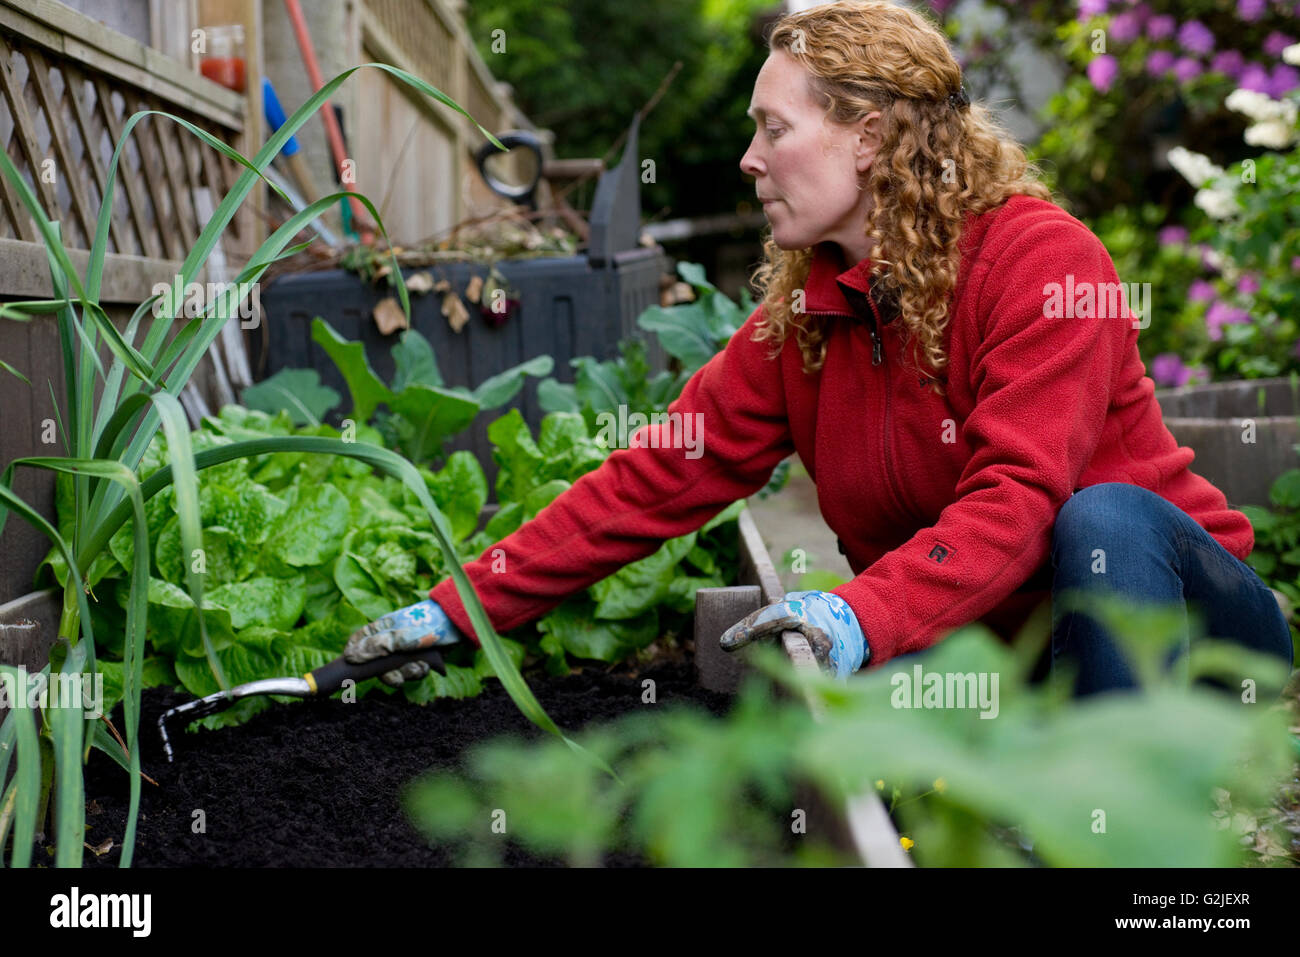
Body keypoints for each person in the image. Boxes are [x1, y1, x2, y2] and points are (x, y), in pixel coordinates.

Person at [344, 0, 1294, 697]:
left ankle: (1118, 831)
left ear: (870, 138)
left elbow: (1017, 499)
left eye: (774, 129)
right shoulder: (808, 316)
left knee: (1105, 518)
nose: (751, 159)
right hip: (1010, 661)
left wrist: (856, 612)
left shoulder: (1039, 262)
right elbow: (655, 478)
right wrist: (456, 607)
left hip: (1193, 638)